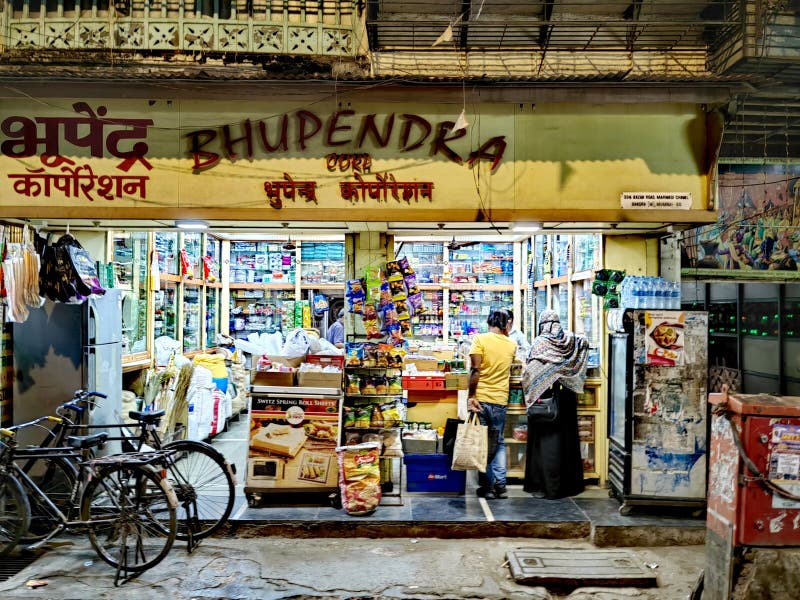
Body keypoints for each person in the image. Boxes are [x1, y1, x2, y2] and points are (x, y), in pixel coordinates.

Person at [522, 309, 589, 499]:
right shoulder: (571, 340)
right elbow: (584, 344)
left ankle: (546, 486)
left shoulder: (540, 343)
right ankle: (569, 486)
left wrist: (534, 384)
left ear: (543, 324)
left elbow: (530, 374)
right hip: (566, 399)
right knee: (567, 441)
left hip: (545, 401)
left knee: (545, 445)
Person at [467, 309, 517, 500]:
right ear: (506, 324)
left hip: (481, 398)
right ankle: (501, 485)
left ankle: (487, 488)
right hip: (500, 400)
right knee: (499, 442)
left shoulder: (480, 339)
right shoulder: (512, 345)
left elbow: (475, 370)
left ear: (489, 321)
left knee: (483, 442)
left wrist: (471, 395)